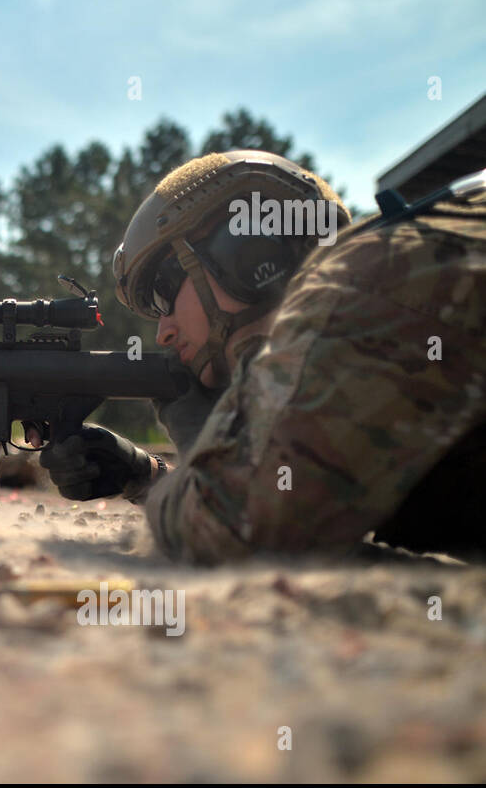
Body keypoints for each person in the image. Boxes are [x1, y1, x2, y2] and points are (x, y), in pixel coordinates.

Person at [34, 150, 486, 564]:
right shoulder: (395, 273)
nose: (163, 330)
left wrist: (195, 433)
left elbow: (235, 535)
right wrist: (146, 476)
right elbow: (295, 503)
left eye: (164, 290)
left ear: (249, 254)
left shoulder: (365, 285)